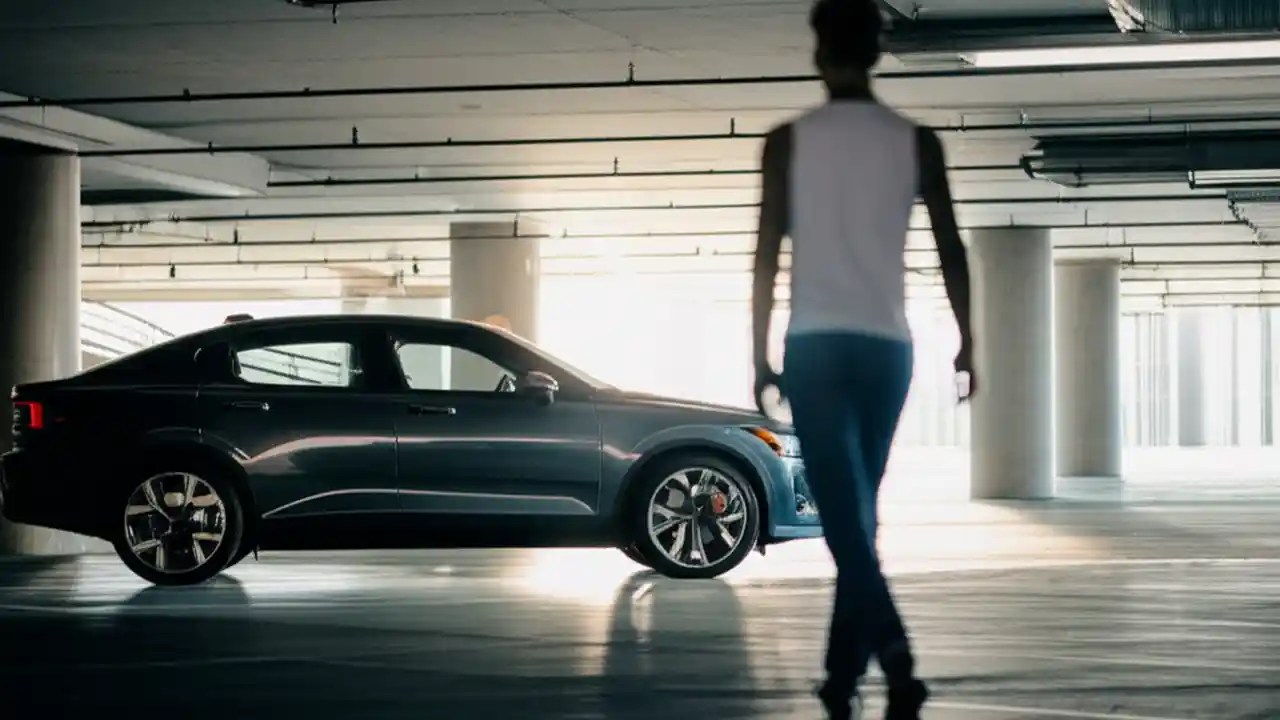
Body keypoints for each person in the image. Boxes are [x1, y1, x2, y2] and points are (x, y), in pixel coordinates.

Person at [750, 1, 975, 718]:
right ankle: (843, 675)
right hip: (887, 350)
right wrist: (972, 340)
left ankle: (898, 663)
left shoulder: (786, 142)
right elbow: (950, 249)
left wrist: (757, 354)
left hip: (814, 348)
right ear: (877, 53)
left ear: (818, 54)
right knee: (857, 519)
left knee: (849, 522)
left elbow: (765, 254)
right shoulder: (918, 142)